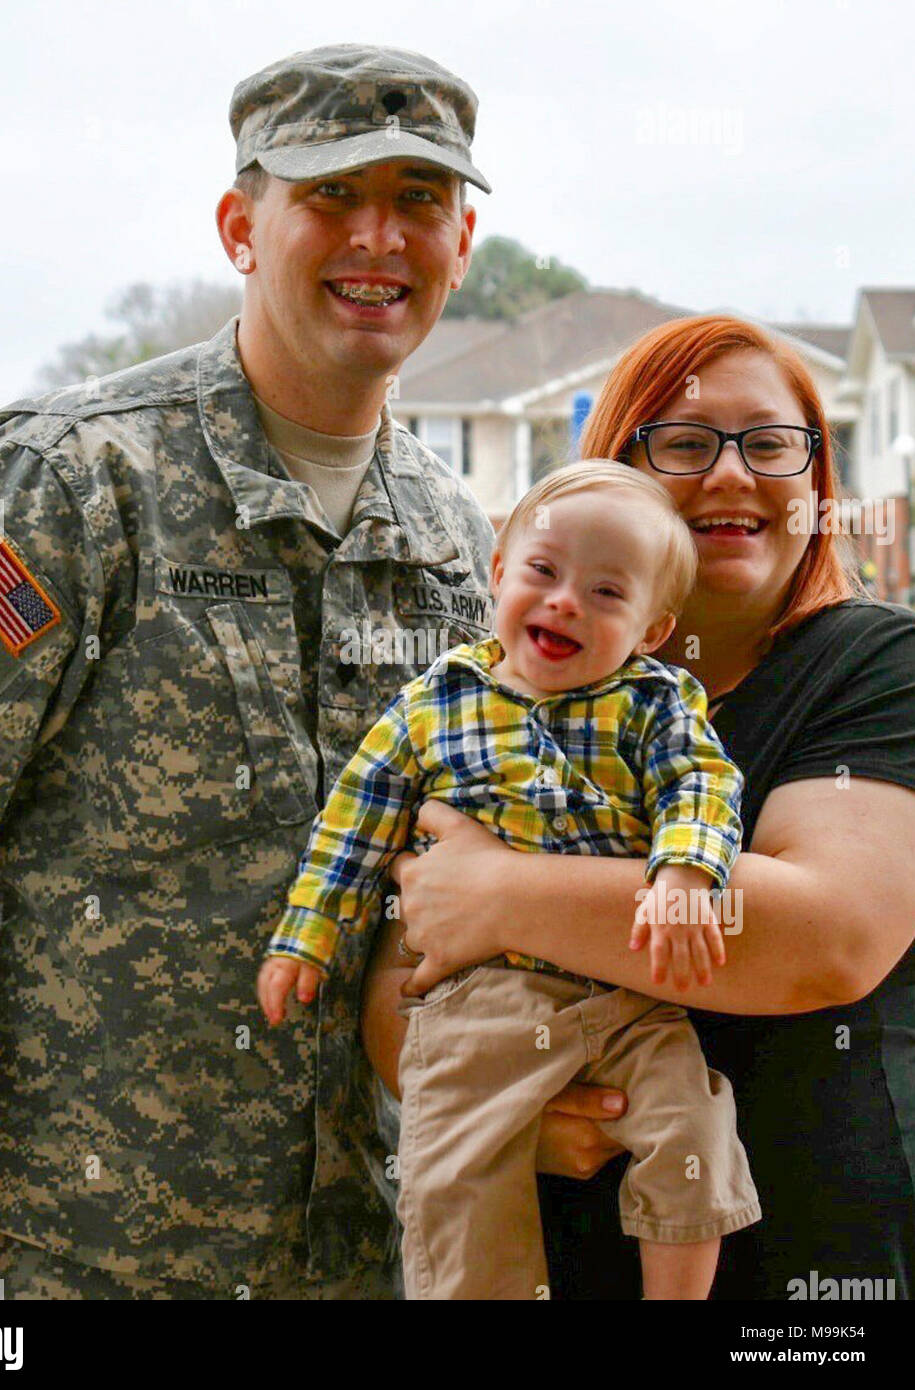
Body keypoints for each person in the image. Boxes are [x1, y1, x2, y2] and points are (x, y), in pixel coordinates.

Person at [0, 43, 496, 1300]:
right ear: (240, 227)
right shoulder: (68, 482)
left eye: (417, 201)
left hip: (351, 1238)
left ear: (461, 243)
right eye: (329, 195)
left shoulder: (455, 541)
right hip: (56, 1240)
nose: (377, 236)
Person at [361, 315, 915, 1301]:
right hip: (551, 1251)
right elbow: (400, 965)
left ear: (814, 477)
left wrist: (498, 892)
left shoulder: (875, 666)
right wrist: (482, 1093)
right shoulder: (496, 694)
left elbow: (823, 934)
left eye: (770, 442)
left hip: (806, 1266)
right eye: (684, 442)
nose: (733, 475)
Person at [259, 460, 763, 1300]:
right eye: (543, 572)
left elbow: (701, 784)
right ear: (498, 574)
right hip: (480, 1000)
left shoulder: (654, 702)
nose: (566, 601)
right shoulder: (433, 705)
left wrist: (682, 874)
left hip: (627, 987)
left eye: (607, 594)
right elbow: (352, 823)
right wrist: (305, 937)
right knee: (457, 1178)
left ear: (650, 628)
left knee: (696, 1134)